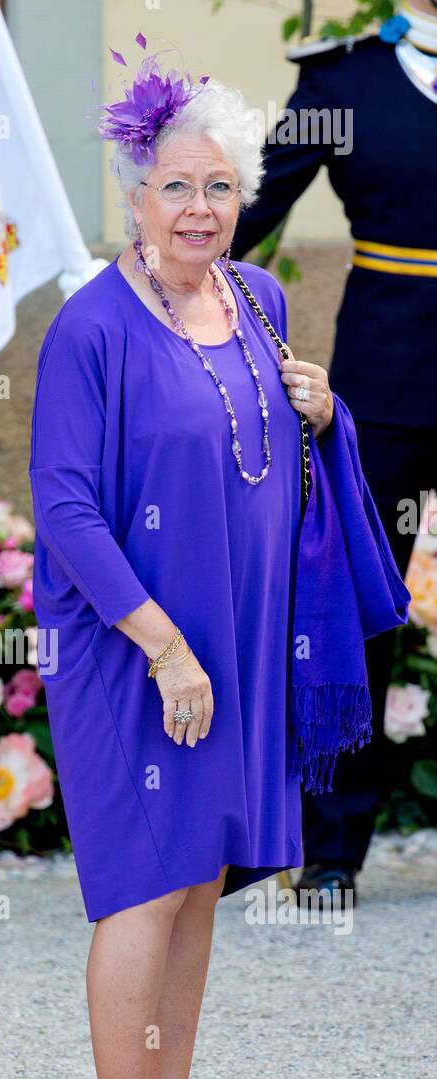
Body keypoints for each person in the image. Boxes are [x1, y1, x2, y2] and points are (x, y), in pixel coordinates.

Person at [28, 41, 409, 1079]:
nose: (199, 210)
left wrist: (320, 409)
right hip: (137, 650)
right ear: (135, 197)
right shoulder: (92, 329)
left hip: (235, 645)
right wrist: (160, 645)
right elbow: (65, 505)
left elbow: (273, 452)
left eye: (219, 188)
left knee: (198, 890)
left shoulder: (256, 298)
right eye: (175, 188)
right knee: (141, 890)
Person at [231, 0, 437, 903]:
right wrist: (152, 290)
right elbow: (246, 210)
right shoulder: (341, 78)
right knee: (358, 596)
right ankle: (333, 846)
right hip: (388, 371)